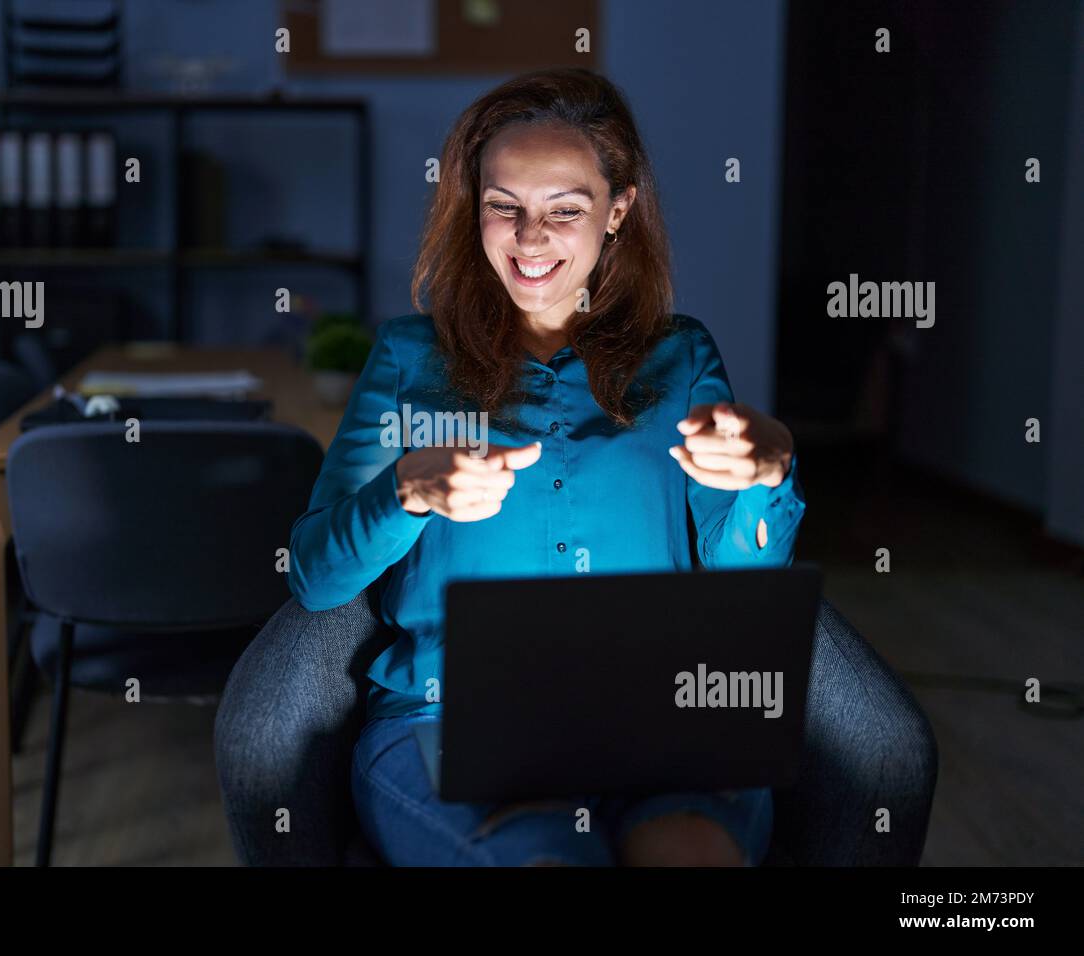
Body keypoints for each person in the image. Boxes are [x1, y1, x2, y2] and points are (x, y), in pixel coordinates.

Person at [288, 67, 806, 866]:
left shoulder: (682, 357)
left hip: (656, 722)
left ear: (617, 213)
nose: (531, 241)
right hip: (449, 721)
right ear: (473, 208)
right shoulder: (406, 357)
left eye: (565, 211)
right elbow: (316, 577)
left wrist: (768, 477)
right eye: (505, 208)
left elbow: (743, 576)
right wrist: (407, 491)